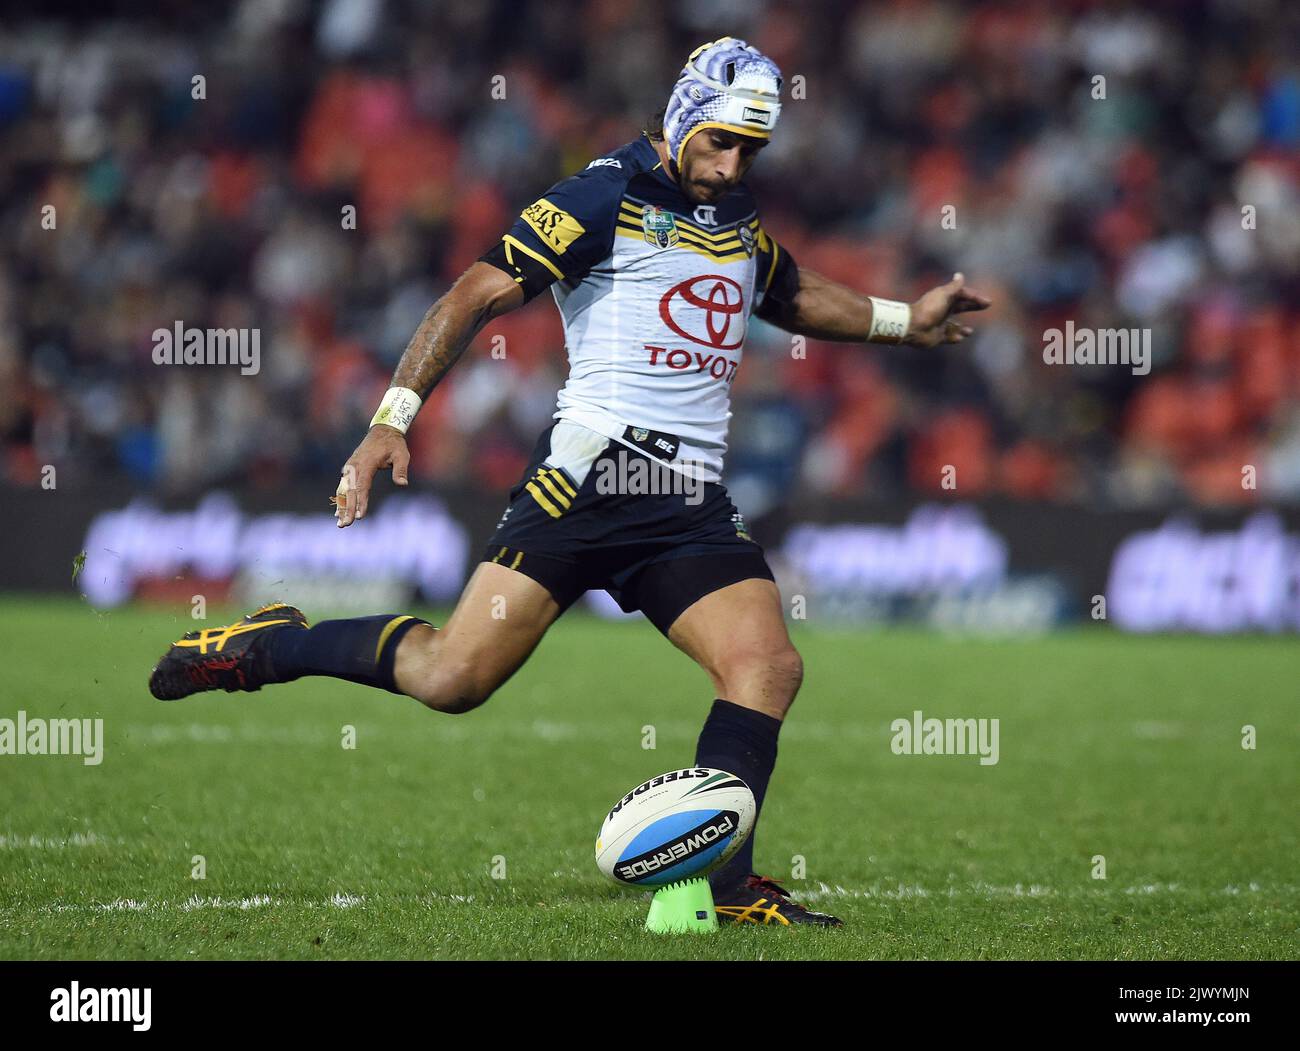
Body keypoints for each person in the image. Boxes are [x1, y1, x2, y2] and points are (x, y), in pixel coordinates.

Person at [149, 37, 989, 926]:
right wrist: (390, 419)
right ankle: (271, 646)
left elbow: (785, 290)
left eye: (750, 149)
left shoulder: (733, 217)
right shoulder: (601, 194)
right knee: (451, 678)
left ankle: (723, 888)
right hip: (587, 484)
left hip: (688, 506)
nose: (733, 162)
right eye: (719, 141)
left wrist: (907, 320)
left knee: (766, 666)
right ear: (681, 119)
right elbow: (471, 294)